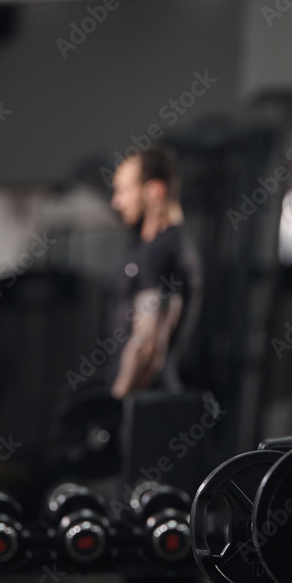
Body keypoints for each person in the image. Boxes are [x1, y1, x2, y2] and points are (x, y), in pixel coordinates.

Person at [106, 146, 202, 399]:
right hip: (147, 400)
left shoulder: (161, 251)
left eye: (124, 191)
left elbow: (147, 345)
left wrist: (116, 400)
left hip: (145, 402)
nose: (116, 202)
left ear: (154, 191)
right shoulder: (156, 247)